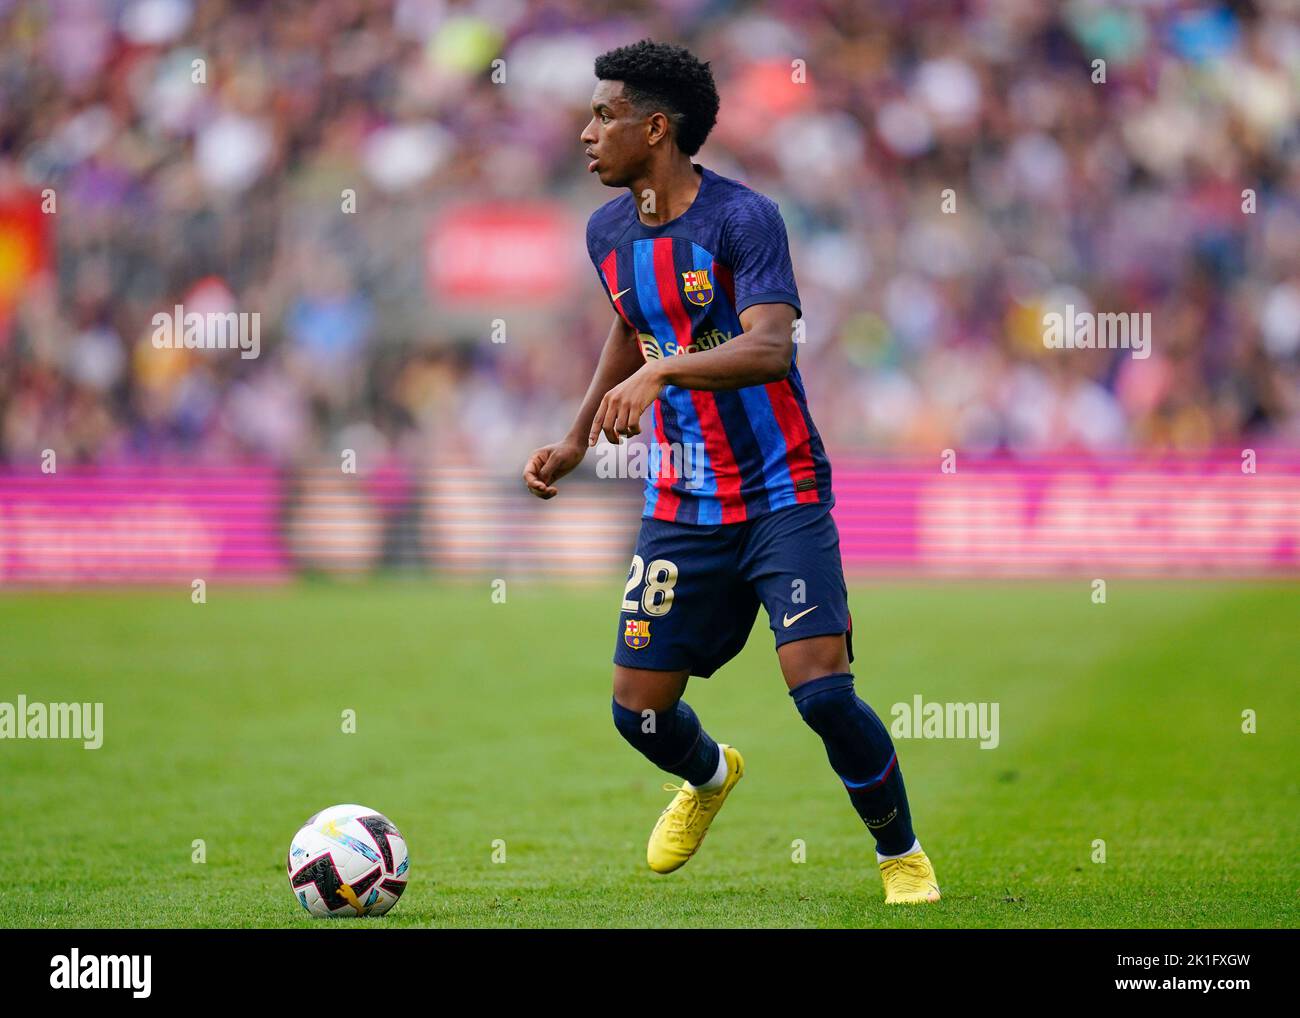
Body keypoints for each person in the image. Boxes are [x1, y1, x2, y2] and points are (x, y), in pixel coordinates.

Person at [523, 39, 939, 905]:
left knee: (822, 692)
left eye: (605, 115)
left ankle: (900, 854)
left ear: (656, 128)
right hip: (681, 500)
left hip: (782, 491)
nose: (586, 132)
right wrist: (575, 438)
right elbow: (631, 325)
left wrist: (663, 370)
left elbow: (770, 345)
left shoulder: (743, 220)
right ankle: (710, 776)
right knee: (635, 712)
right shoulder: (606, 230)